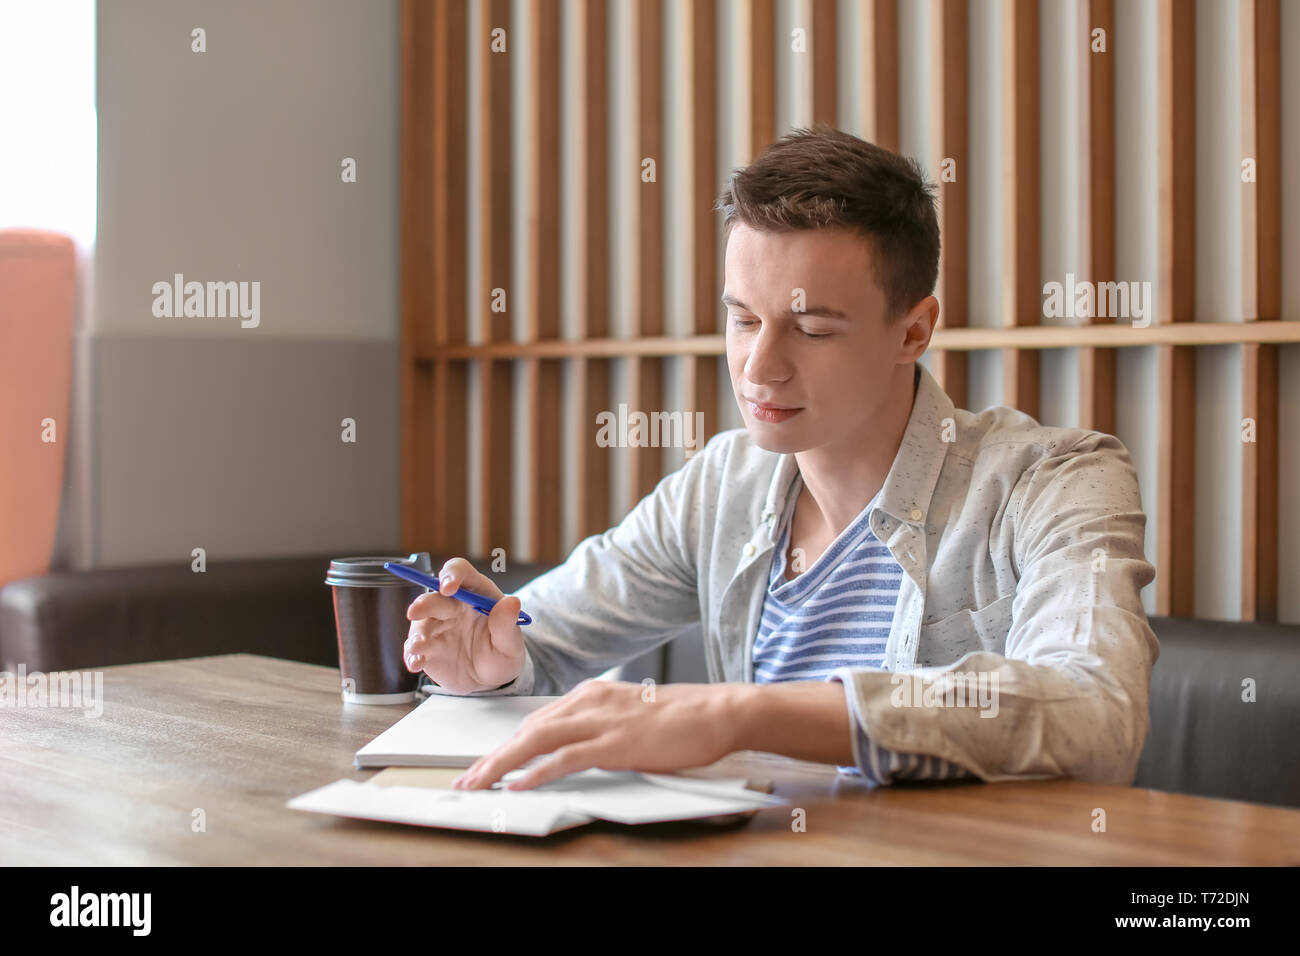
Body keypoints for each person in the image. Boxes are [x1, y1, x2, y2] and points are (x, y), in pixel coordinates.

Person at [403, 124, 1159, 793]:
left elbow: (1095, 714)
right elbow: (542, 635)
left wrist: (739, 715)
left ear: (913, 331)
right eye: (742, 320)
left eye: (814, 329)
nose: (759, 368)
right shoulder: (721, 486)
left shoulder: (1057, 480)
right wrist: (492, 662)